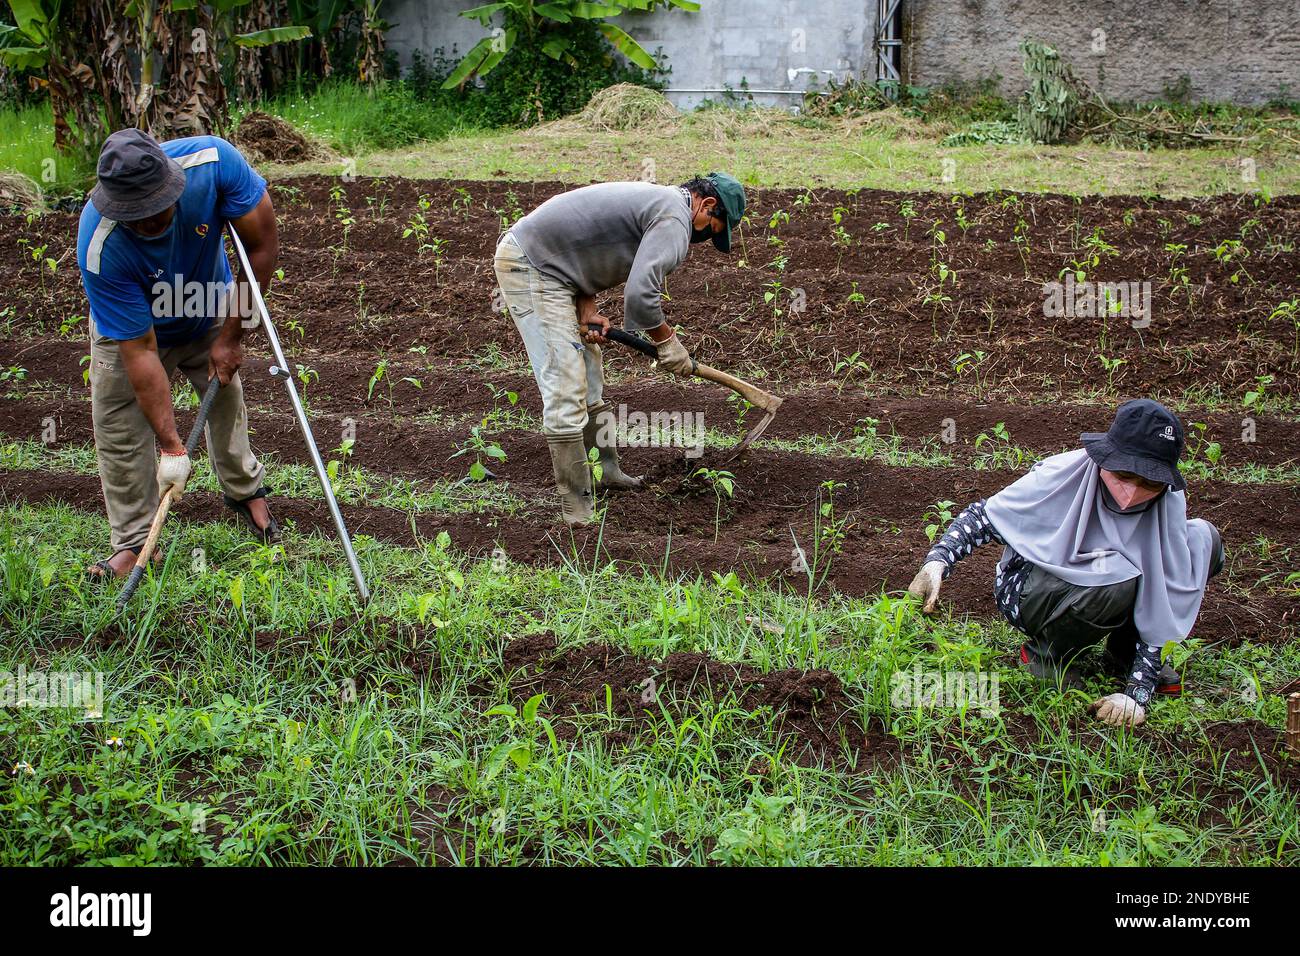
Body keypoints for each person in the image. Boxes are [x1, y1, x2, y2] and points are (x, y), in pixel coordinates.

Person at [907, 399, 1224, 727]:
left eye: (1150, 482)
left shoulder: (1167, 503)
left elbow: (1163, 589)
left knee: (1202, 543)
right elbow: (983, 517)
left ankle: (1124, 654)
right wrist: (938, 561)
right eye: (1125, 474)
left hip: (1105, 583)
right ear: (1105, 458)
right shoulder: (1063, 474)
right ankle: (1049, 655)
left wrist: (1136, 693)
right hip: (1031, 589)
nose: (1133, 491)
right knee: (1119, 574)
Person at [77, 128, 281, 579]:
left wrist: (231, 337)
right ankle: (133, 542)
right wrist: (172, 448)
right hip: (136, 327)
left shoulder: (213, 164)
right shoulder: (100, 244)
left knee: (225, 398)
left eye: (157, 209)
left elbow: (261, 246)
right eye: (137, 217)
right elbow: (141, 350)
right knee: (120, 423)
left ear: (173, 184)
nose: (150, 223)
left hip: (206, 299)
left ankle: (245, 492)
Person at [493, 172, 747, 525]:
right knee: (566, 385)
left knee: (590, 375)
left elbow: (585, 243)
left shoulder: (664, 204)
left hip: (557, 268)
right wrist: (667, 341)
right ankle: (576, 508)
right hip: (532, 265)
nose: (705, 237)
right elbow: (641, 296)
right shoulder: (675, 217)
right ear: (707, 204)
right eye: (713, 227)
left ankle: (607, 472)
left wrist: (587, 308)